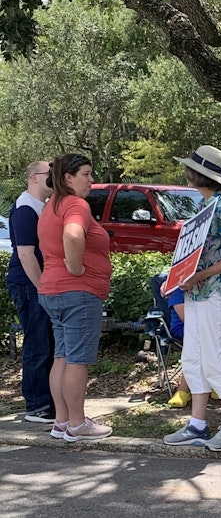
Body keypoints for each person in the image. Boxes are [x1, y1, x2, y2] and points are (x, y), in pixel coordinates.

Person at [163, 145, 221, 451]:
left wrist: (197, 276)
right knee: (194, 356)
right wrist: (175, 280)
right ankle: (197, 424)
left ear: (199, 174)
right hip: (198, 292)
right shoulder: (207, 206)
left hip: (214, 292)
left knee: (214, 356)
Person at [37, 153, 114, 441]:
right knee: (77, 360)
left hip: (53, 292)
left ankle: (62, 421)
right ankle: (78, 424)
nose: (91, 180)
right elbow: (72, 236)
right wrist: (76, 266)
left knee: (62, 356)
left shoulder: (51, 206)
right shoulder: (75, 204)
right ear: (68, 178)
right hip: (77, 293)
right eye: (86, 174)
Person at [7, 160, 55, 424]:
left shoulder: (41, 206)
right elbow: (26, 254)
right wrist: (43, 288)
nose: (54, 178)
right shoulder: (26, 208)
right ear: (34, 178)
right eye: (50, 174)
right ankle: (37, 405)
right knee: (37, 344)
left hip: (37, 284)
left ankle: (47, 401)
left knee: (47, 343)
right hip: (28, 285)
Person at [164, 286, 221, 408]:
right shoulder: (177, 290)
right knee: (200, 340)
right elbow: (186, 317)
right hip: (184, 327)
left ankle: (219, 386)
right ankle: (182, 391)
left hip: (206, 324)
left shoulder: (207, 287)